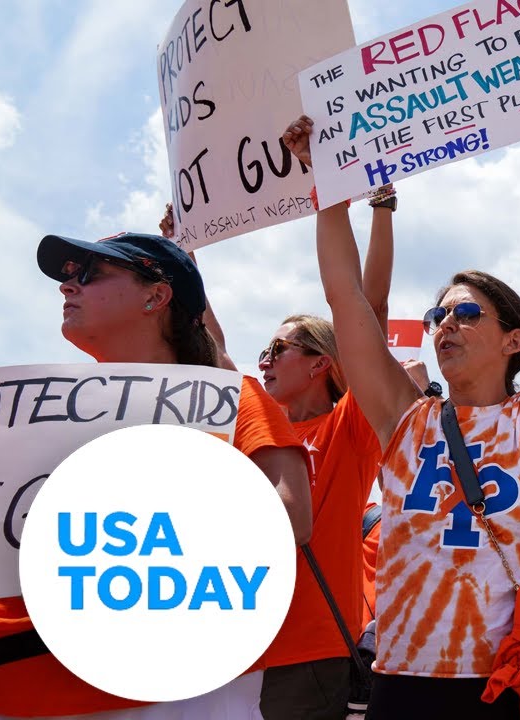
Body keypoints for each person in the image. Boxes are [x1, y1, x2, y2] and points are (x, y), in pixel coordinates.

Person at [282, 77, 520, 719]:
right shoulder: (400, 418)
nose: (445, 324)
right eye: (438, 314)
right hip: (402, 682)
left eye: (466, 312)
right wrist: (324, 189)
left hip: (506, 683)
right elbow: (346, 300)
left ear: (513, 338)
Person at [0, 232, 312, 717]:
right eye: (68, 275)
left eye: (88, 273)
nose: (66, 287)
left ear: (156, 296)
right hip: (4, 684)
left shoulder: (229, 399)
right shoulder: (22, 410)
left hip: (159, 691)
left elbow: (291, 516)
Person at [162, 191, 411, 718]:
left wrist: (381, 209)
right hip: (231, 640)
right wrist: (182, 259)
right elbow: (211, 345)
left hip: (309, 648)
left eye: (280, 350)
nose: (266, 361)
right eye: (264, 352)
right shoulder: (250, 423)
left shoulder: (350, 427)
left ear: (323, 363)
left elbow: (371, 311)